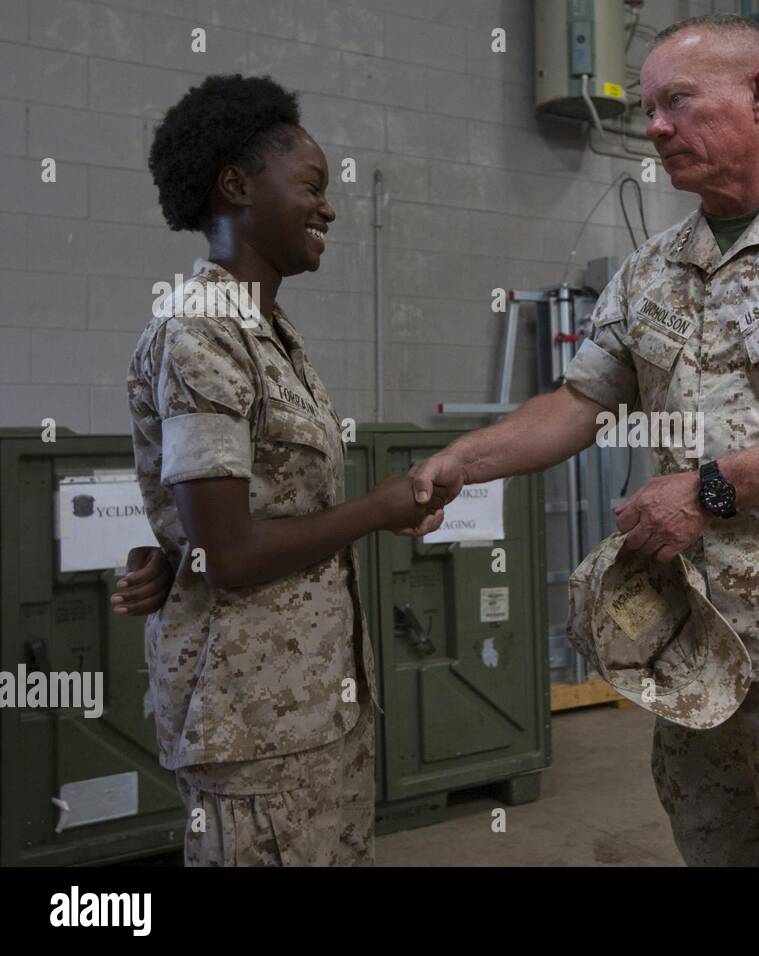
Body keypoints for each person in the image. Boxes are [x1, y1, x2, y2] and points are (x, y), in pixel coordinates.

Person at [402, 14, 759, 865]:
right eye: (650, 106)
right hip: (698, 654)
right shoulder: (651, 268)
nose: (655, 125)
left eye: (679, 101)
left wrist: (710, 490)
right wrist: (460, 464)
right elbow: (578, 400)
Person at [127, 73, 443, 866]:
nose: (328, 207)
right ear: (236, 186)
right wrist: (379, 507)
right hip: (250, 720)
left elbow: (232, 516)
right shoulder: (201, 330)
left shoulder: (270, 333)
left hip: (313, 708)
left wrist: (170, 552)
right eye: (311, 186)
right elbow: (228, 553)